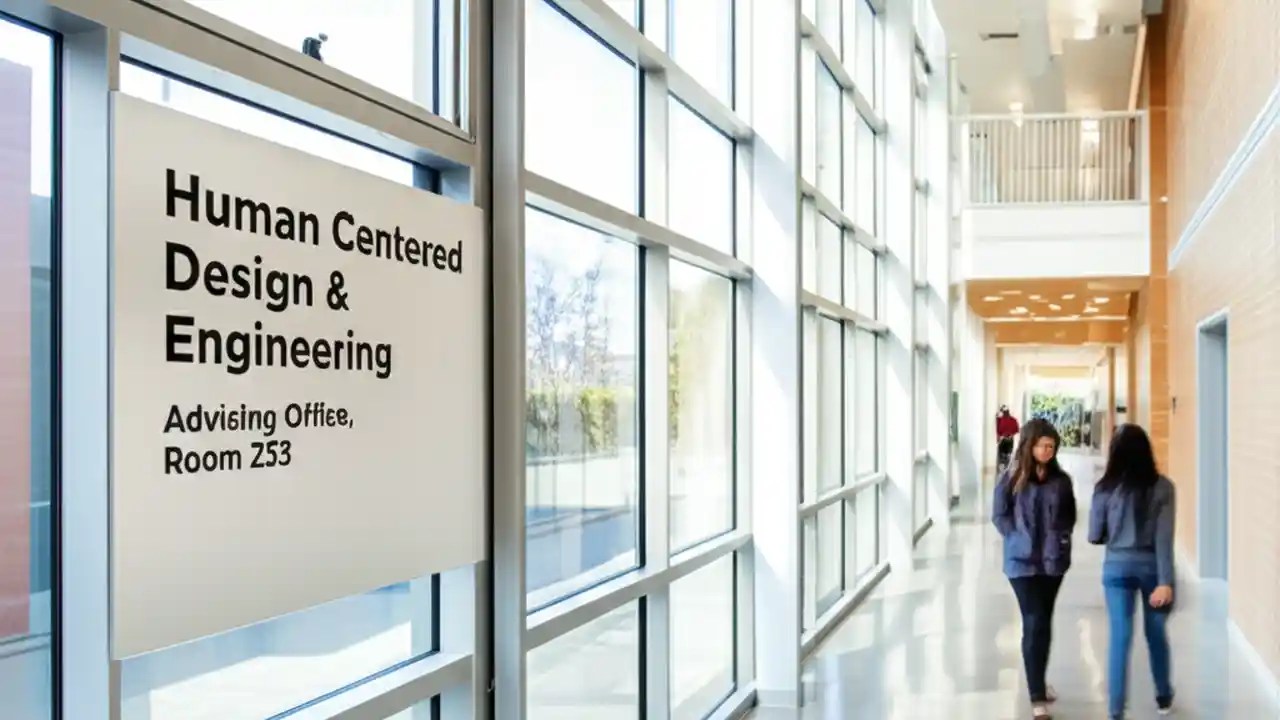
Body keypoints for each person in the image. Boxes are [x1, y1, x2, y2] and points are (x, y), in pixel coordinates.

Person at [1088, 424, 1176, 719]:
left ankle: (1115, 710)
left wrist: (1115, 529)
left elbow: (1094, 534)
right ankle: (1163, 696)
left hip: (1116, 568)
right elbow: (1164, 539)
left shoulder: (1104, 488)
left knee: (1120, 637)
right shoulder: (1163, 487)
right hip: (1153, 569)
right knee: (1156, 633)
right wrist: (1165, 581)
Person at [992, 419, 1076, 719]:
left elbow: (1069, 515)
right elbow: (999, 515)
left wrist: (1060, 538)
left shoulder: (1061, 481)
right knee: (1034, 620)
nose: (1047, 451)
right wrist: (1017, 537)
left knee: (1044, 622)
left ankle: (1038, 679)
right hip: (1021, 564)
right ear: (1029, 445)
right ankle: (1037, 697)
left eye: (1052, 446)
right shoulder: (1011, 478)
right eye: (1042, 445)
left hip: (1053, 562)